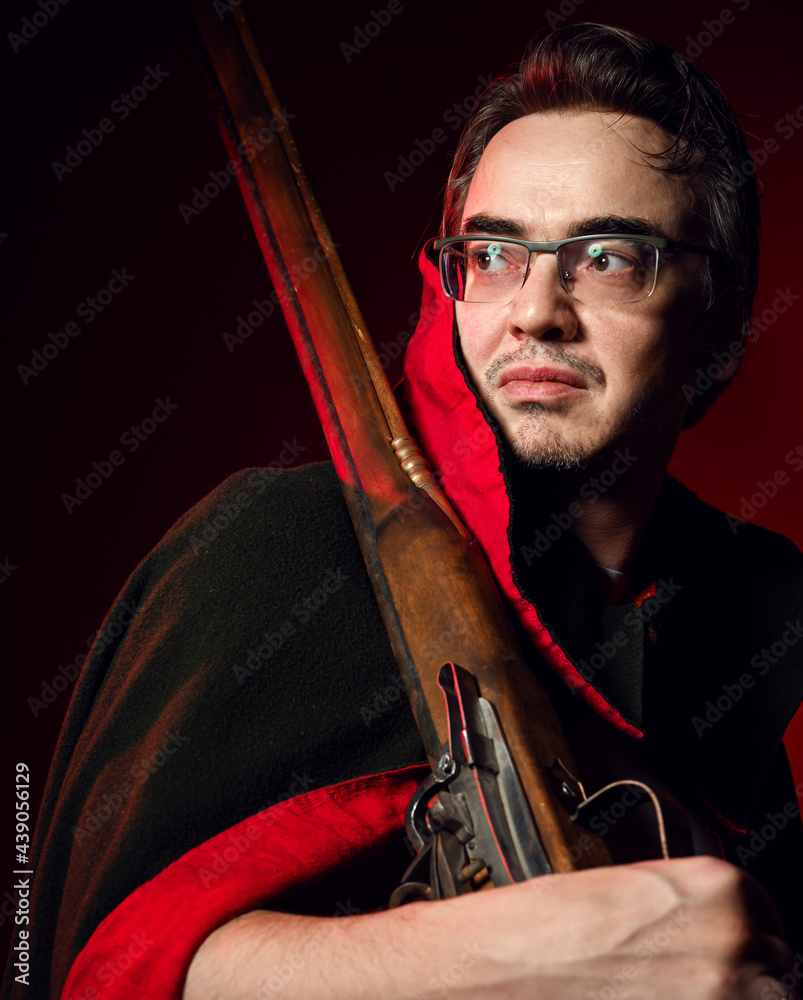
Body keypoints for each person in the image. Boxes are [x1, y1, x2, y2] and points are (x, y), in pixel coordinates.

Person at [9, 22, 803, 1000]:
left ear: (717, 319)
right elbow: (99, 966)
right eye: (492, 255)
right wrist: (518, 957)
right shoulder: (278, 545)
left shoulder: (728, 649)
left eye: (605, 257)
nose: (534, 310)